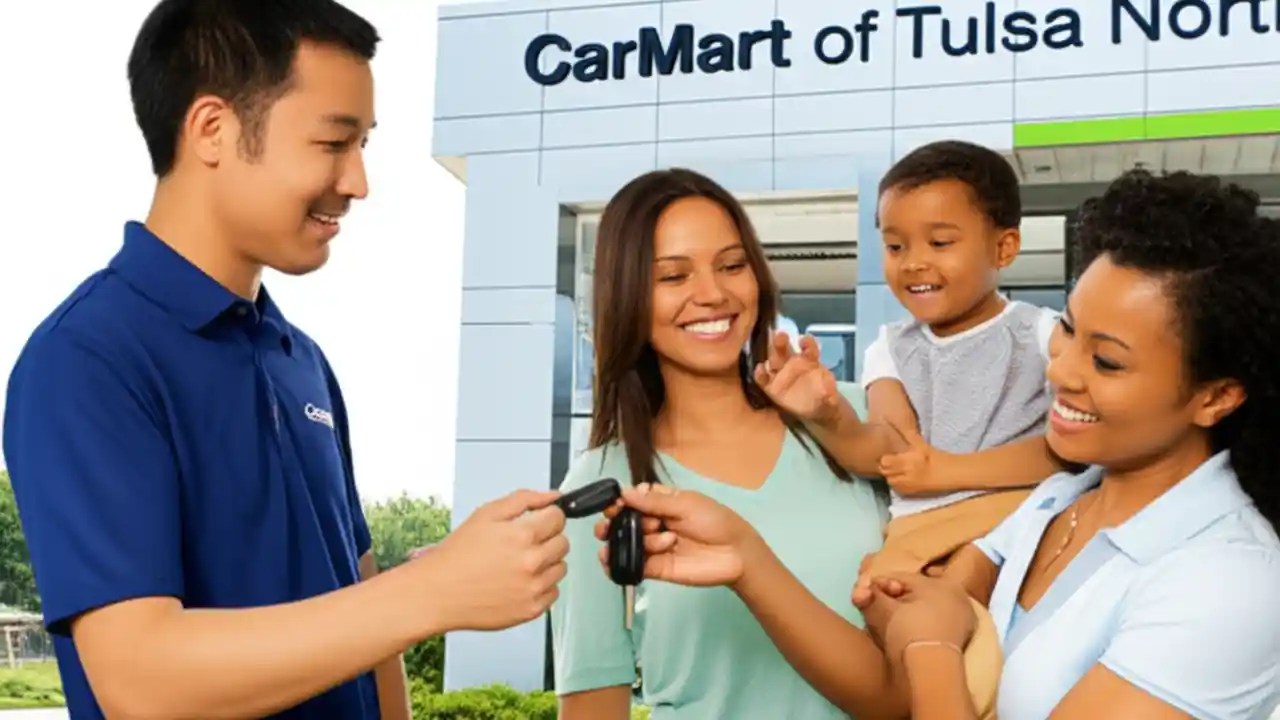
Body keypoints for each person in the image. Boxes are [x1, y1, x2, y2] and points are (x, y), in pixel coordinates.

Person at [1, 2, 569, 718]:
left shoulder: (303, 360)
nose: (360, 181)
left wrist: (427, 591)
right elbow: (138, 681)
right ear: (213, 129)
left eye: (363, 145)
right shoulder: (86, 360)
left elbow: (367, 610)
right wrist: (433, 593)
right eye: (334, 143)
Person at [619, 169, 1280, 719]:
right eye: (1069, 333)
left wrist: (933, 646)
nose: (1059, 371)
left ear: (1216, 396)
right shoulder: (1057, 504)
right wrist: (744, 558)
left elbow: (921, 644)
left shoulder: (1229, 581)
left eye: (1105, 362)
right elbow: (889, 683)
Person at [549, 168, 909, 719]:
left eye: (732, 265)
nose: (712, 294)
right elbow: (594, 706)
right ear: (627, 297)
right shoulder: (600, 486)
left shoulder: (854, 419)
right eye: (672, 276)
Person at [757, 140, 1067, 585]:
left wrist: (946, 471)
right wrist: (827, 416)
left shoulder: (1042, 335)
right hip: (917, 531)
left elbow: (1071, 451)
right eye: (896, 246)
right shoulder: (890, 346)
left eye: (940, 242)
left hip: (1014, 524)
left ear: (1004, 247)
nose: (914, 263)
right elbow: (887, 450)